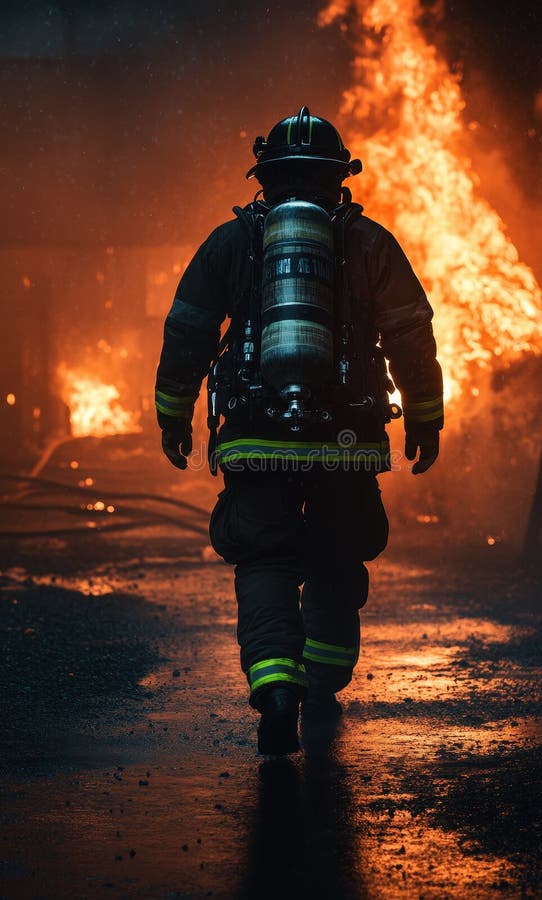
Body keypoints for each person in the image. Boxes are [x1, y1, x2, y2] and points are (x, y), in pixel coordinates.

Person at [155, 107, 443, 756]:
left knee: (265, 558)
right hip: (346, 441)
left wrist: (172, 413)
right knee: (337, 556)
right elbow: (410, 334)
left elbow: (188, 332)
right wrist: (425, 414)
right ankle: (323, 679)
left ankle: (276, 688)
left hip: (256, 440)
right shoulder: (368, 243)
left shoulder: (231, 244)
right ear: (340, 177)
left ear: (265, 176)